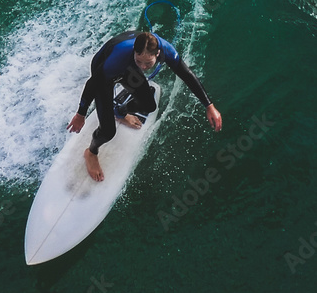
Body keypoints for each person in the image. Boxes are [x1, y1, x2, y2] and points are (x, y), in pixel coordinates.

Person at [67, 30, 222, 182]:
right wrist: (81, 114)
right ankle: (91, 152)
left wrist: (209, 105)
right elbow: (93, 82)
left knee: (148, 105)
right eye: (139, 61)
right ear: (135, 52)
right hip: (104, 73)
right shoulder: (119, 58)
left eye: (148, 63)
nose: (143, 66)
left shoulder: (165, 50)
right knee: (108, 131)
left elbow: (186, 74)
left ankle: (120, 111)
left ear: (158, 54)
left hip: (128, 68)